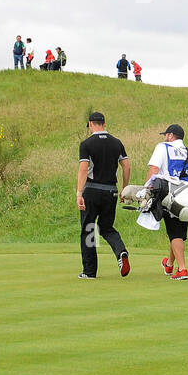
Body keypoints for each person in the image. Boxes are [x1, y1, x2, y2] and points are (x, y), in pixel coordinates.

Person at [76, 112, 131, 279]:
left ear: (91, 124)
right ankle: (121, 252)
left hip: (92, 191)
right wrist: (124, 188)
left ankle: (90, 271)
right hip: (111, 192)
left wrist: (79, 192)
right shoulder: (117, 143)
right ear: (104, 123)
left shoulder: (86, 144)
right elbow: (126, 166)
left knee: (89, 229)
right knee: (106, 227)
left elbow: (84, 169)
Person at [147, 123, 188, 281]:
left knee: (175, 233)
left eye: (166, 135)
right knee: (177, 232)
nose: (165, 137)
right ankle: (169, 264)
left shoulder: (162, 147)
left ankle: (182, 269)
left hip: (169, 195)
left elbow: (154, 170)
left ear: (170, 136)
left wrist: (147, 190)